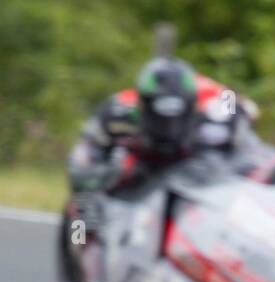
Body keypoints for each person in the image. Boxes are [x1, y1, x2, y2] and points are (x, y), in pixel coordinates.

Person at [67, 56, 200, 198]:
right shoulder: (116, 113)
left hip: (185, 196)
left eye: (177, 116)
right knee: (82, 202)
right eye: (158, 116)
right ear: (141, 102)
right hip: (125, 196)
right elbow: (79, 169)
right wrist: (117, 172)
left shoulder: (208, 122)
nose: (168, 126)